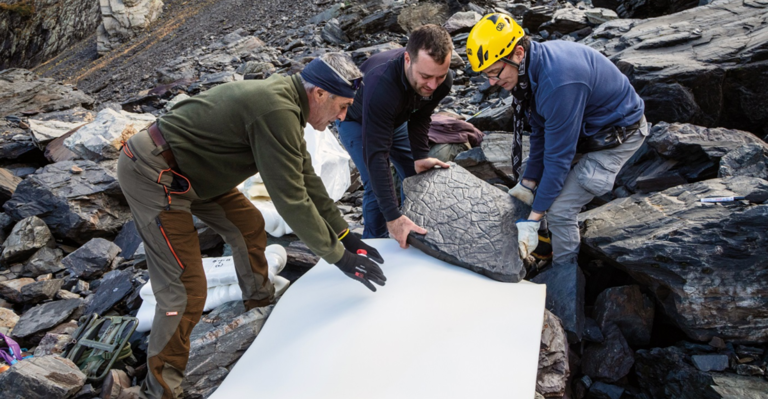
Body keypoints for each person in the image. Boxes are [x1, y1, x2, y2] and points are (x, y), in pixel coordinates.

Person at [117, 53, 386, 399]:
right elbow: (291, 200)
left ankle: (258, 305)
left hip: (195, 172)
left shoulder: (287, 105)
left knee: (247, 225)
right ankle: (162, 390)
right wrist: (339, 258)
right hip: (154, 175)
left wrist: (346, 235)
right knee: (185, 290)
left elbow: (306, 178)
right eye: (342, 106)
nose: (343, 117)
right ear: (319, 94)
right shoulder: (276, 110)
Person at [466, 14, 648, 265]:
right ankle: (543, 246)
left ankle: (563, 274)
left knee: (561, 210)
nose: (493, 82)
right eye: (487, 75)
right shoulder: (533, 69)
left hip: (617, 137)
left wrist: (534, 219)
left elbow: (558, 158)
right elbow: (541, 133)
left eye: (496, 72)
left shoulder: (559, 83)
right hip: (586, 130)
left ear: (518, 53)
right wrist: (527, 184)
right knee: (533, 181)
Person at [338, 24, 454, 247]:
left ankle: (418, 231)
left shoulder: (441, 81)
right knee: (376, 182)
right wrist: (392, 216)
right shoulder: (381, 83)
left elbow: (421, 116)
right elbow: (377, 155)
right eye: (426, 76)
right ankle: (374, 243)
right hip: (358, 120)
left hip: (397, 118)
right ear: (407, 60)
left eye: (439, 77)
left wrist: (420, 155)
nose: (432, 85)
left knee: (415, 174)